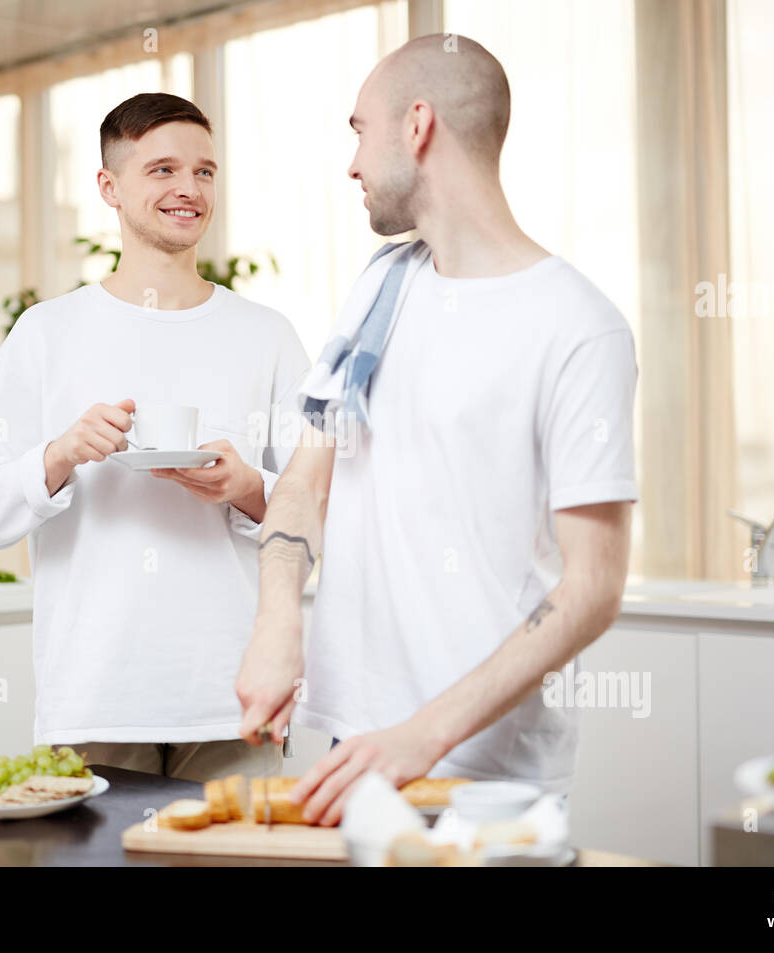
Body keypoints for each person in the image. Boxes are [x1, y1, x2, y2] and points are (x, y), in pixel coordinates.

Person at [235, 35, 639, 824]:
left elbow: (593, 586)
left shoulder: (579, 328)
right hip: (357, 754)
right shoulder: (381, 290)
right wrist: (277, 622)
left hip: (486, 779)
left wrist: (421, 736)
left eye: (359, 130)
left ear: (416, 125)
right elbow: (304, 487)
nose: (351, 163)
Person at [0, 92, 310, 782]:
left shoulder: (267, 336)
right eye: (163, 170)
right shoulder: (46, 334)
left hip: (236, 699)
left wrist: (247, 488)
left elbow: (321, 515)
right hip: (95, 705)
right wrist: (59, 455)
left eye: (204, 172)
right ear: (109, 188)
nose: (188, 189)